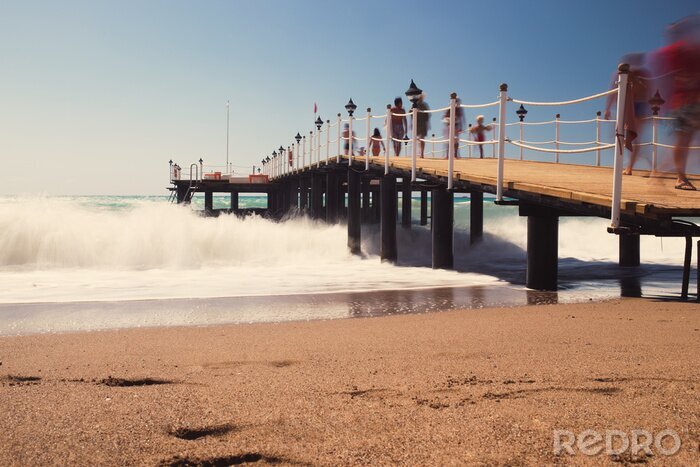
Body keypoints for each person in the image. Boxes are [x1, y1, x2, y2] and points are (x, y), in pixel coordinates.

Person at [653, 15, 700, 190]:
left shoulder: (685, 50)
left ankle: (662, 172)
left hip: (689, 101)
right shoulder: (677, 51)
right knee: (684, 139)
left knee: (685, 139)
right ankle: (679, 178)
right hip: (684, 102)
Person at [604, 53, 651, 175]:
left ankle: (630, 166)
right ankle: (631, 165)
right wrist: (608, 109)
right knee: (627, 137)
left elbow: (613, 92)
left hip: (636, 106)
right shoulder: (642, 75)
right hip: (633, 106)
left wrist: (608, 109)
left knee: (629, 136)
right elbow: (613, 92)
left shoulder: (641, 75)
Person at [414, 93, 430, 158]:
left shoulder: (424, 105)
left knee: (422, 138)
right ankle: (420, 153)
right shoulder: (414, 105)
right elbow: (410, 113)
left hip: (423, 123)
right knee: (419, 138)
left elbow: (427, 115)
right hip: (417, 123)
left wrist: (427, 123)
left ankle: (422, 153)